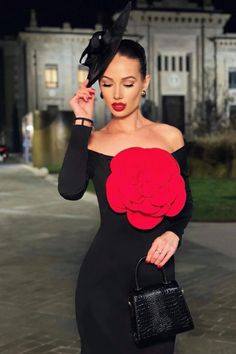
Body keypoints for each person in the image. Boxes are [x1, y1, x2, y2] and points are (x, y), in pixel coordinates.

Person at [58, 2, 193, 353]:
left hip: (156, 282)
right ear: (99, 87)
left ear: (145, 83)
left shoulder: (169, 137)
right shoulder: (94, 139)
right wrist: (82, 122)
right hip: (101, 284)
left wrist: (173, 234)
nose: (117, 94)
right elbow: (70, 190)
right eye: (108, 83)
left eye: (128, 83)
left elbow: (185, 204)